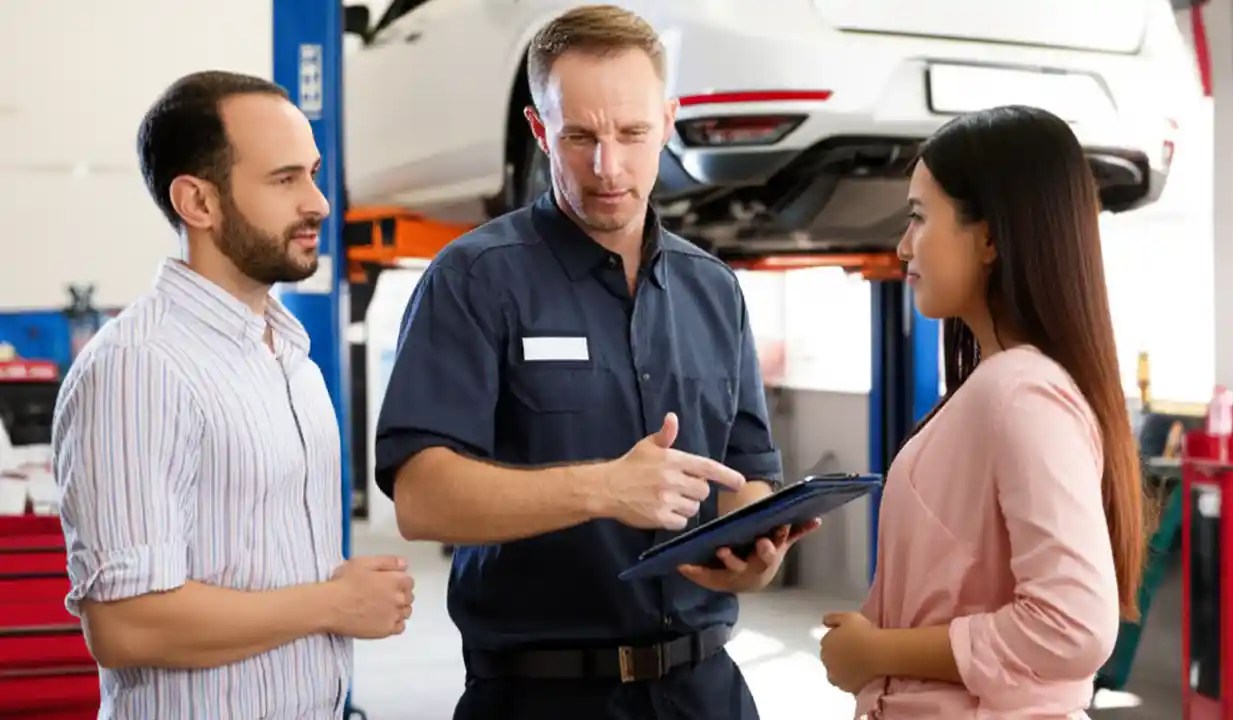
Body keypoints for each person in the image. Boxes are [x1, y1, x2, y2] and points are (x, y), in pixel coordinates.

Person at [374, 5, 816, 719]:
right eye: (578, 136)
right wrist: (605, 489)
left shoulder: (714, 289)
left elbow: (745, 473)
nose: (607, 166)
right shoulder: (474, 279)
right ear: (539, 128)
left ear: (668, 121)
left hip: (706, 692)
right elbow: (422, 498)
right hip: (542, 697)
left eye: (633, 133)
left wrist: (757, 555)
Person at [50, 70, 415, 720]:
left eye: (313, 172)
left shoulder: (289, 357)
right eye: (284, 179)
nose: (319, 202)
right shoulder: (141, 366)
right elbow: (128, 626)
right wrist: (333, 604)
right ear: (199, 203)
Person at [818, 104, 1146, 718]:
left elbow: (1073, 626)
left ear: (990, 236)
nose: (902, 245)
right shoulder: (1000, 388)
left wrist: (880, 651)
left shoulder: (1020, 394)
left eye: (918, 218)